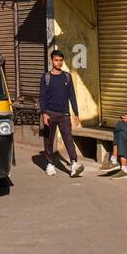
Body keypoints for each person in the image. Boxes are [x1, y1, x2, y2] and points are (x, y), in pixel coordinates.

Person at [39, 47, 85, 177]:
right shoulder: (46, 77)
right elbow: (42, 96)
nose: (58, 63)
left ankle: (74, 163)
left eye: (61, 60)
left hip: (64, 114)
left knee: (68, 139)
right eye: (56, 60)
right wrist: (44, 113)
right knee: (49, 140)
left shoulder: (67, 77)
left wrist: (76, 113)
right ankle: (49, 164)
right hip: (50, 113)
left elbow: (72, 95)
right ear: (52, 61)